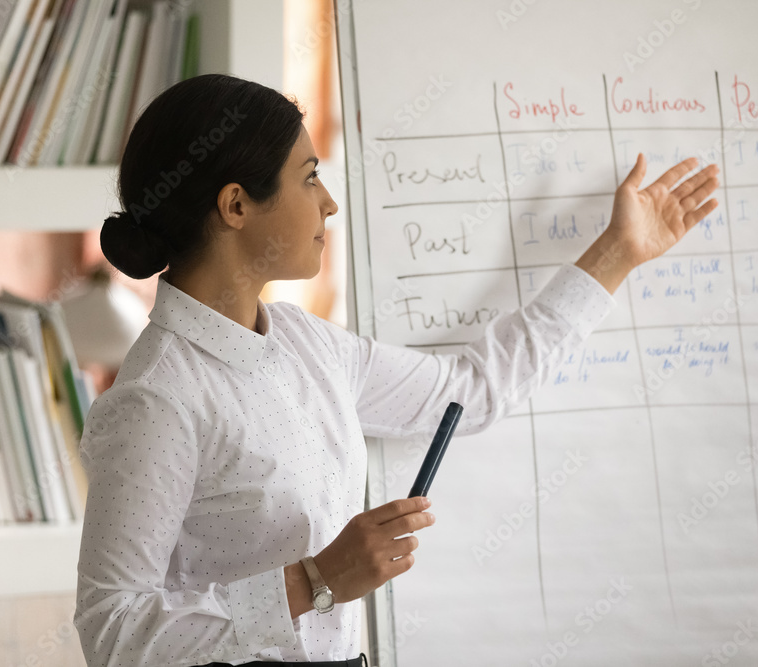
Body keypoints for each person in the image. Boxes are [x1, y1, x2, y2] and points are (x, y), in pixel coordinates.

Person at [73, 73, 719, 667]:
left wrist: (617, 253)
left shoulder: (307, 343)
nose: (329, 203)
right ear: (236, 205)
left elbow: (471, 391)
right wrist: (315, 579)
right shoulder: (157, 399)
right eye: (309, 177)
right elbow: (111, 631)